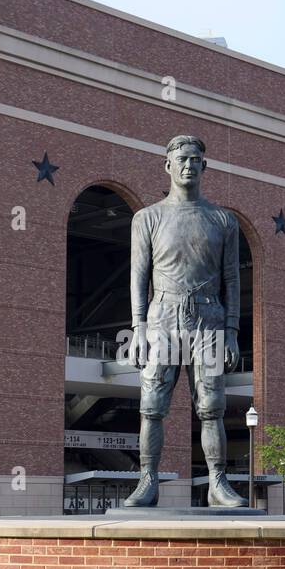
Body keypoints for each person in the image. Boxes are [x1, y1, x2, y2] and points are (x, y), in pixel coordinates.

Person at [123, 134, 246, 508]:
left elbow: (232, 280)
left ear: (204, 166)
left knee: (212, 407)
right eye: (182, 159)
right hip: (162, 319)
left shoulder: (223, 220)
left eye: (195, 159)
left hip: (209, 320)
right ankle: (148, 480)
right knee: (152, 405)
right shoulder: (147, 218)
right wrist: (139, 329)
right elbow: (138, 276)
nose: (189, 165)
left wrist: (231, 331)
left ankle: (217, 482)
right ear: (168, 165)